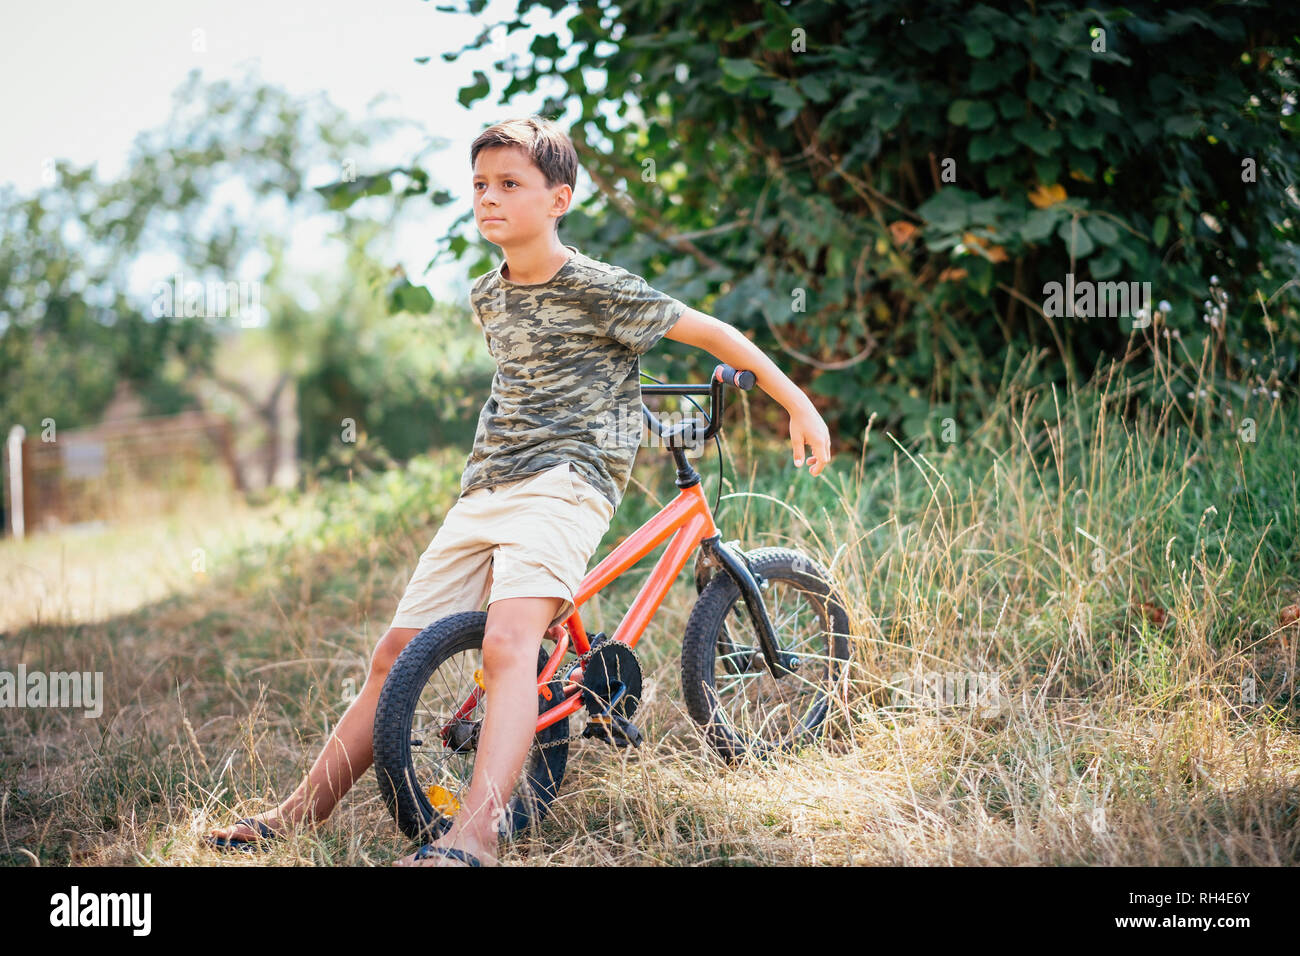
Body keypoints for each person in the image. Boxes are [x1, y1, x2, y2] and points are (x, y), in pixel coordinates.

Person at [207, 115, 832, 866]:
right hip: (487, 485)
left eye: (510, 184)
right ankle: (291, 815)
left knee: (508, 645)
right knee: (394, 654)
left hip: (568, 481)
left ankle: (475, 838)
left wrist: (798, 404)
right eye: (479, 185)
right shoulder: (488, 294)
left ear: (558, 198)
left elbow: (712, 334)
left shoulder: (600, 286)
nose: (488, 199)